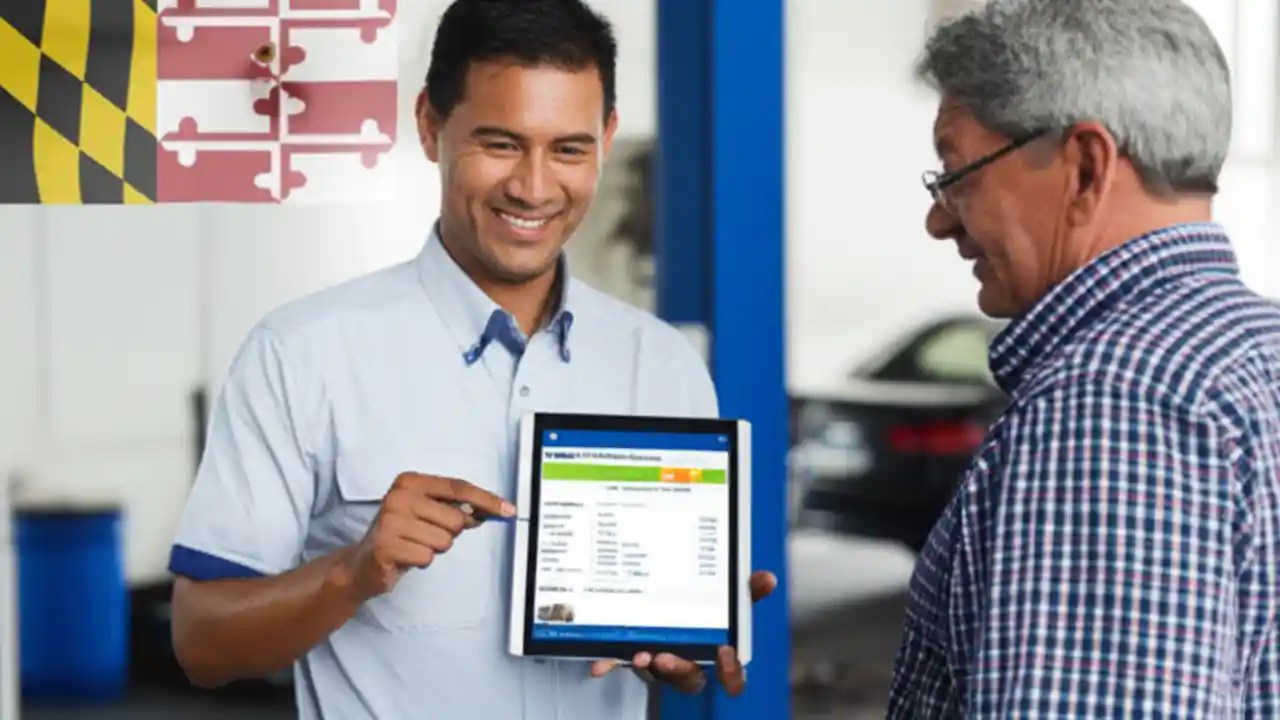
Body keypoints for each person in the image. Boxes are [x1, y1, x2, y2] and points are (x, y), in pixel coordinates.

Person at [165, 1, 775, 717]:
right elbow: (201, 642)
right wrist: (353, 574)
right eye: (501, 143)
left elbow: (660, 642)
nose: (535, 187)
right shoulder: (302, 354)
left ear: (607, 139)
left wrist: (684, 632)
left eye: (570, 149)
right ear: (430, 125)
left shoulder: (662, 367)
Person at [891, 0, 1280, 717]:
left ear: (1086, 166)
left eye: (957, 171)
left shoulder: (1115, 400)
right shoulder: (1256, 351)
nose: (939, 218)